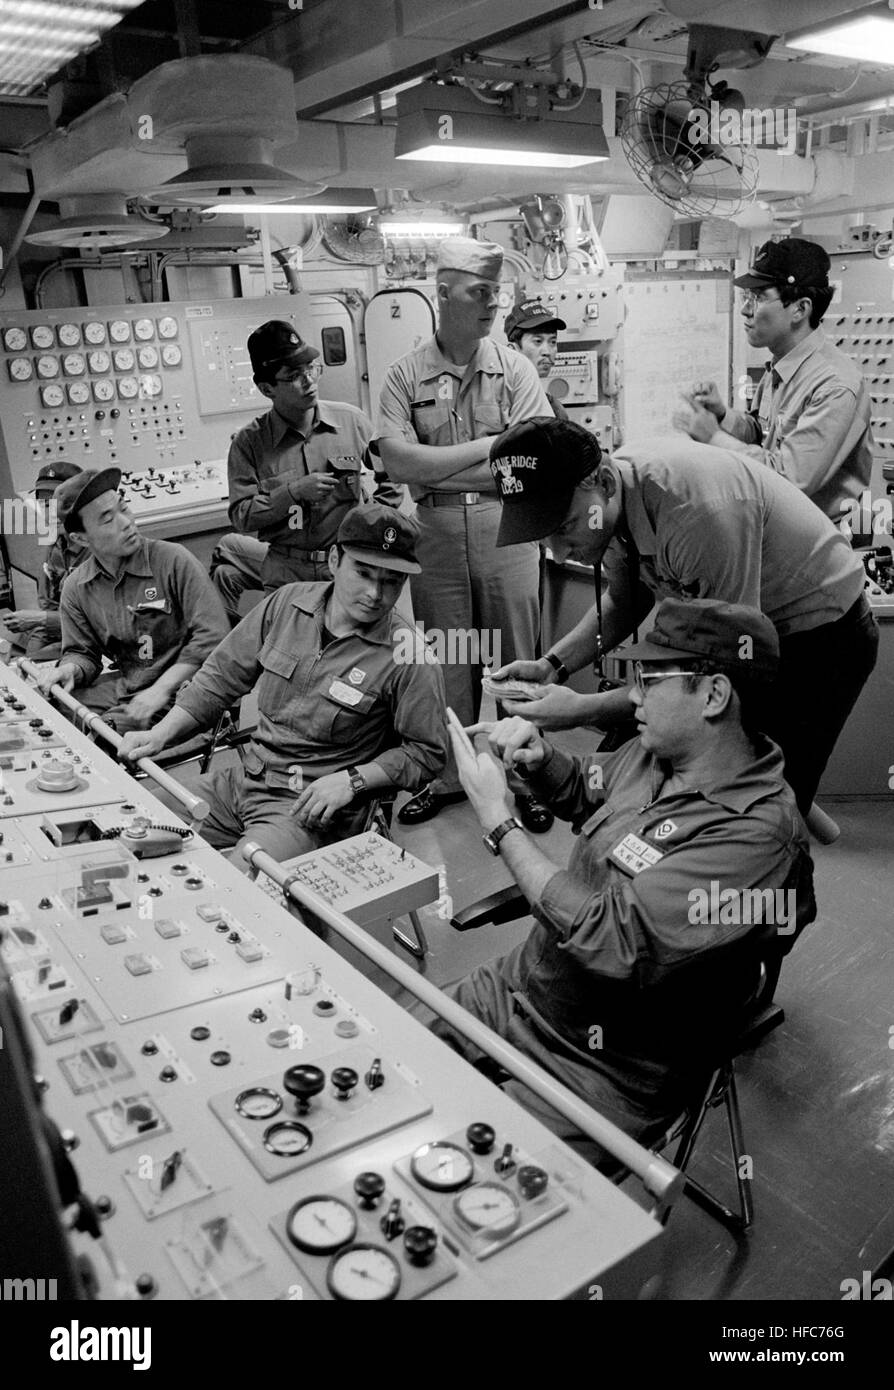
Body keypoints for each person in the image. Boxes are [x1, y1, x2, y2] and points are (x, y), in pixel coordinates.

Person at [431, 600, 815, 1171]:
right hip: (522, 986)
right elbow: (588, 790)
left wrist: (499, 822)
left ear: (713, 695)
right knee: (382, 1057)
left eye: (650, 680)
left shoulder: (756, 841)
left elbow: (612, 941)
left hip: (603, 1068)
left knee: (474, 1191)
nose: (632, 697)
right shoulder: (655, 750)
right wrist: (541, 761)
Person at [486, 418, 878, 817]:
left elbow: (721, 667)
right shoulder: (606, 508)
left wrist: (583, 708)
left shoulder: (696, 512)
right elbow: (625, 598)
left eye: (565, 527)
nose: (557, 551)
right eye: (543, 535)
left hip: (820, 639)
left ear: (604, 482)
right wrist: (552, 666)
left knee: (767, 807)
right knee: (701, 793)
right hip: (744, 642)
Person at [119, 505, 447, 869]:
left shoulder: (410, 655)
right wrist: (161, 734)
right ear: (336, 560)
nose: (374, 593)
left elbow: (426, 753)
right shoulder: (287, 603)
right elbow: (219, 678)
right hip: (245, 781)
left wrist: (353, 781)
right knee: (130, 831)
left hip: (309, 808)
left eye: (391, 581)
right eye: (363, 573)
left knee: (242, 890)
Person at [376, 236, 554, 833]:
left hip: (509, 530)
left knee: (515, 663)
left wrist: (438, 461)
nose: (493, 306)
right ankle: (452, 776)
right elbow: (397, 464)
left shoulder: (517, 370)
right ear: (443, 293)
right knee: (448, 664)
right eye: (481, 293)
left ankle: (525, 775)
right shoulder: (403, 376)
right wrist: (490, 448)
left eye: (496, 294)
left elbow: (533, 461)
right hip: (437, 539)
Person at [674, 238, 872, 523]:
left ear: (800, 310)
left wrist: (713, 437)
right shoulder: (781, 365)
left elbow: (791, 478)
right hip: (780, 529)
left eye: (759, 297)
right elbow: (764, 435)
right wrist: (722, 415)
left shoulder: (835, 385)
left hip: (822, 543)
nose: (745, 309)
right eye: (747, 297)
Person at [31, 468, 229, 733]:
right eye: (107, 519)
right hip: (132, 688)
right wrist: (70, 669)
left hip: (191, 690)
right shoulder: (76, 588)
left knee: (105, 731)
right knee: (44, 712)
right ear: (80, 538)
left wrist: (161, 688)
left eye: (123, 509)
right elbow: (82, 653)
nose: (126, 523)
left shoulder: (172, 560)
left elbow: (214, 636)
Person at [226, 319, 403, 595]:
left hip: (347, 563)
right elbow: (241, 515)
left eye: (311, 369)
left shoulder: (351, 421)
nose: (309, 380)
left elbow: (392, 473)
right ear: (266, 388)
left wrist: (372, 521)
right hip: (287, 574)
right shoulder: (248, 444)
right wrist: (293, 492)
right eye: (295, 374)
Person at [2, 463, 88, 661]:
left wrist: (39, 621)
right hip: (61, 629)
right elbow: (48, 605)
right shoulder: (55, 546)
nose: (51, 511)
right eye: (44, 503)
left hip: (93, 641)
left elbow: (99, 621)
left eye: (59, 501)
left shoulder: (97, 548)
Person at [504, 298, 569, 421]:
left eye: (552, 342)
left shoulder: (555, 408)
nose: (547, 352)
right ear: (513, 350)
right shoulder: (500, 403)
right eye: (538, 341)